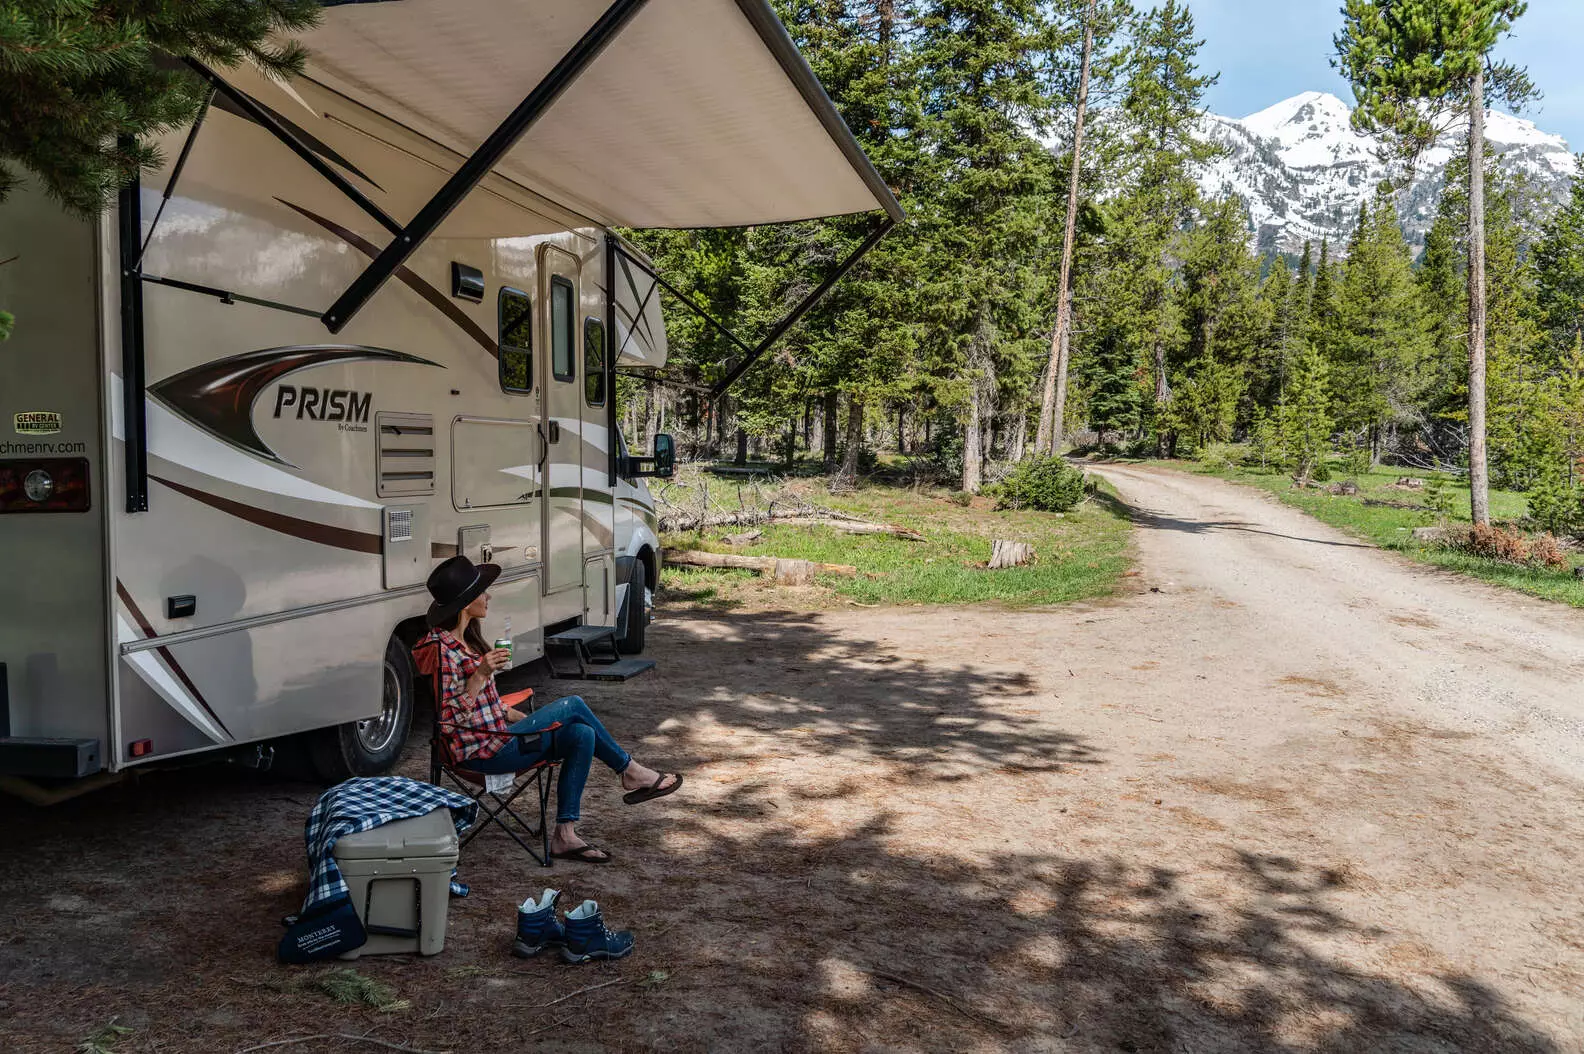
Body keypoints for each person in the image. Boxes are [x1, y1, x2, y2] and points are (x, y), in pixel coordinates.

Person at [416, 556, 681, 863]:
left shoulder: (468, 644)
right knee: (573, 704)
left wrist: (531, 722)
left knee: (581, 733)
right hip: (483, 754)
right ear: (465, 603)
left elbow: (488, 708)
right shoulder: (444, 652)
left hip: (498, 736)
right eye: (483, 592)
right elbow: (447, 724)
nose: (488, 596)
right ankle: (631, 772)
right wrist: (479, 676)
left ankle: (565, 836)